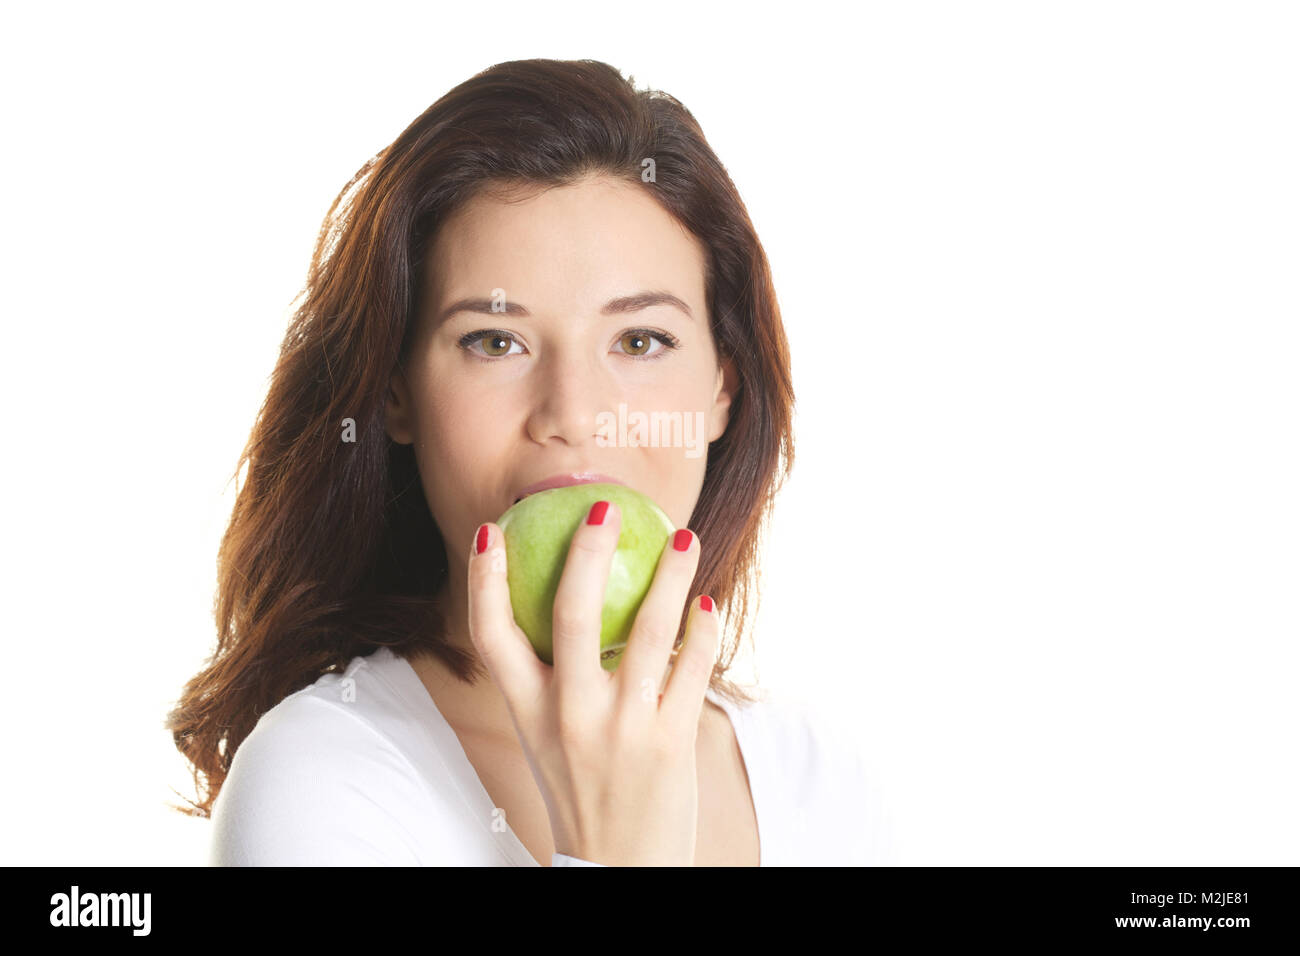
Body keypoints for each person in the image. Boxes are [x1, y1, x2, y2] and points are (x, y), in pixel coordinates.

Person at [166, 57, 896, 866]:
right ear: (398, 393)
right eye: (495, 342)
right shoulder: (321, 778)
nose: (574, 415)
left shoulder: (820, 781)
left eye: (640, 341)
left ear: (723, 387)